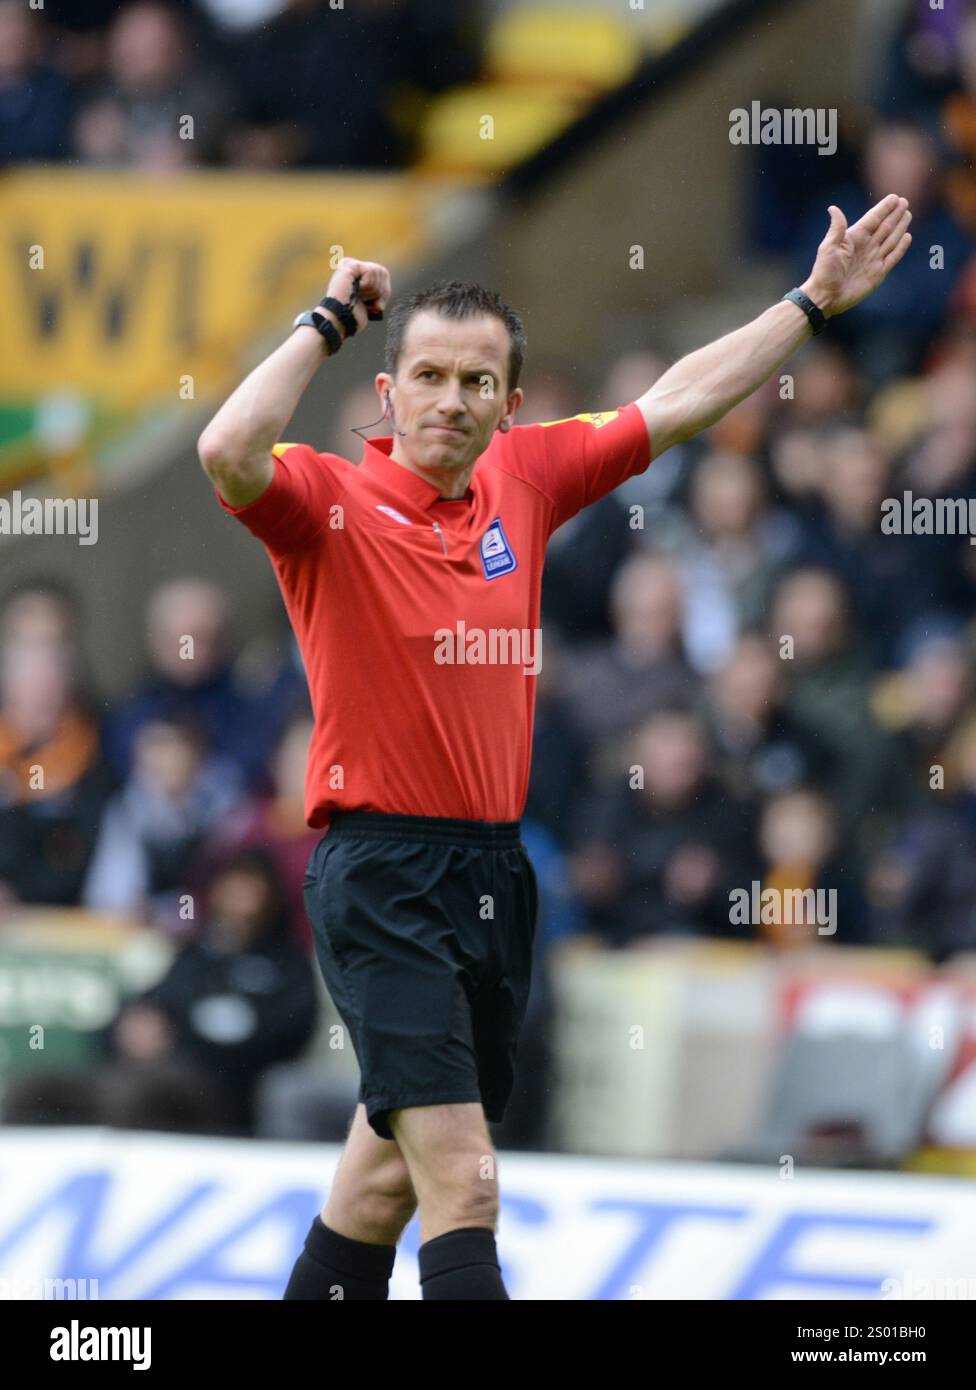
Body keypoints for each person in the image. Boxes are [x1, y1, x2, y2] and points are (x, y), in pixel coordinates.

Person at [197, 192, 913, 1300]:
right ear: (387, 395)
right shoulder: (324, 501)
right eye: (428, 376)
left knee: (378, 1190)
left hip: (493, 871)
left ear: (508, 403)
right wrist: (327, 320)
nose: (450, 399)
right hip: (381, 873)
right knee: (466, 1187)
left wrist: (811, 302)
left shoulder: (522, 479)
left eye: (476, 381)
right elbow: (226, 445)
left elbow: (676, 400)